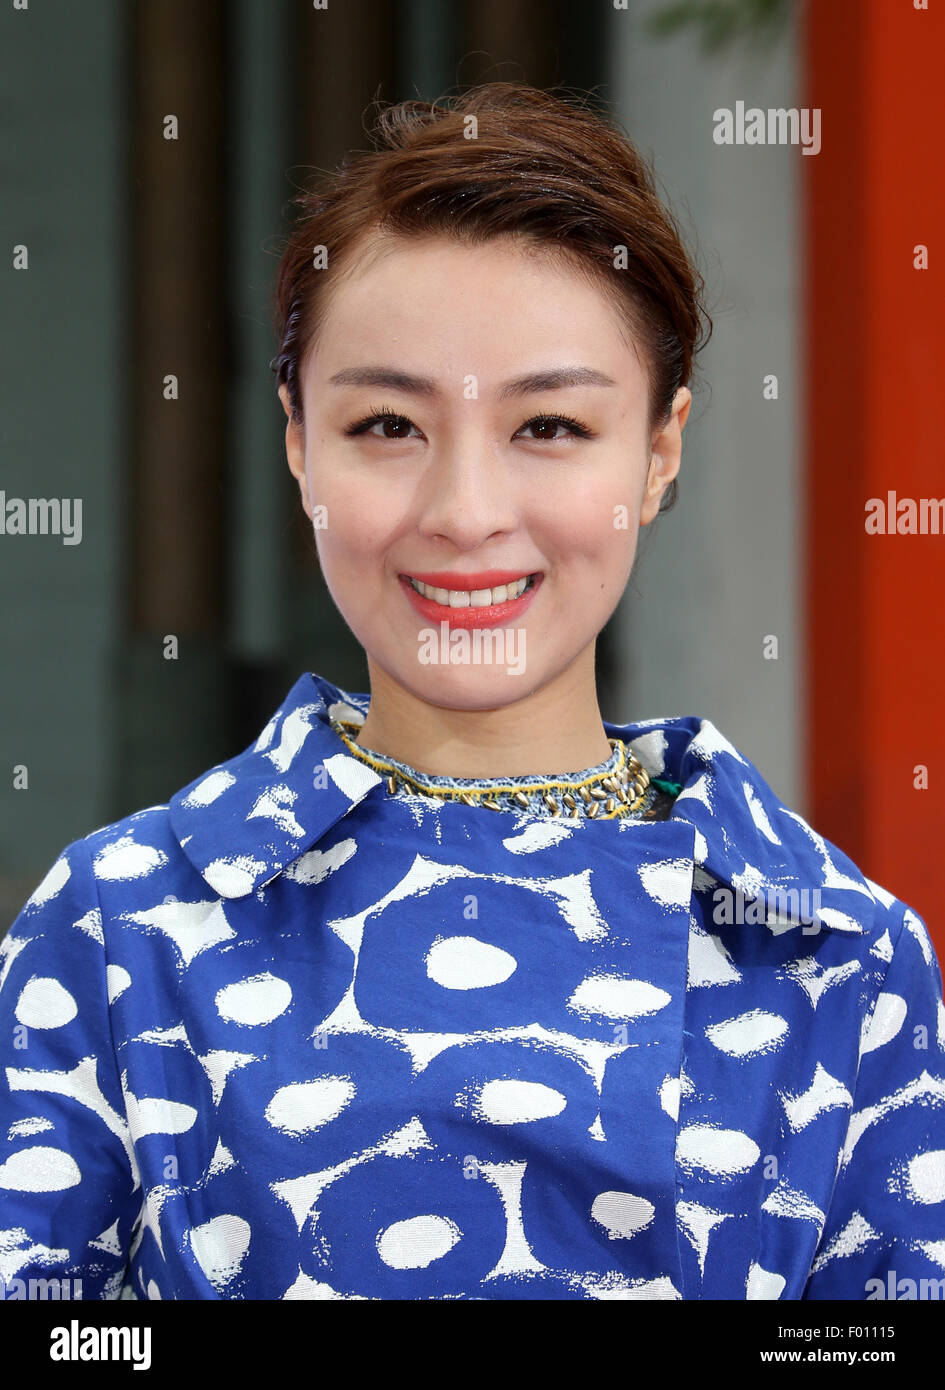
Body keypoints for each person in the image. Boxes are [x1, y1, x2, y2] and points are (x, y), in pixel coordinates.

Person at [1, 82, 943, 1303]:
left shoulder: (840, 952)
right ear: (298, 444)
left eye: (548, 426)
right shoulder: (118, 928)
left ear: (658, 454)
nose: (463, 514)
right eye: (388, 423)